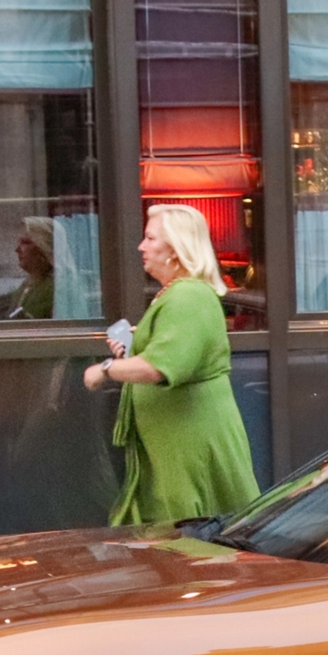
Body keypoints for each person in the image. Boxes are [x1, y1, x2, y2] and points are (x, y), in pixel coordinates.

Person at [85, 205, 261, 526]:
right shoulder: (177, 295)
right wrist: (134, 347)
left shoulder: (188, 297)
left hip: (188, 445)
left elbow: (159, 367)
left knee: (194, 537)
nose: (141, 246)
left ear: (176, 249)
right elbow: (167, 353)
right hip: (175, 445)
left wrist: (105, 369)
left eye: (150, 238)